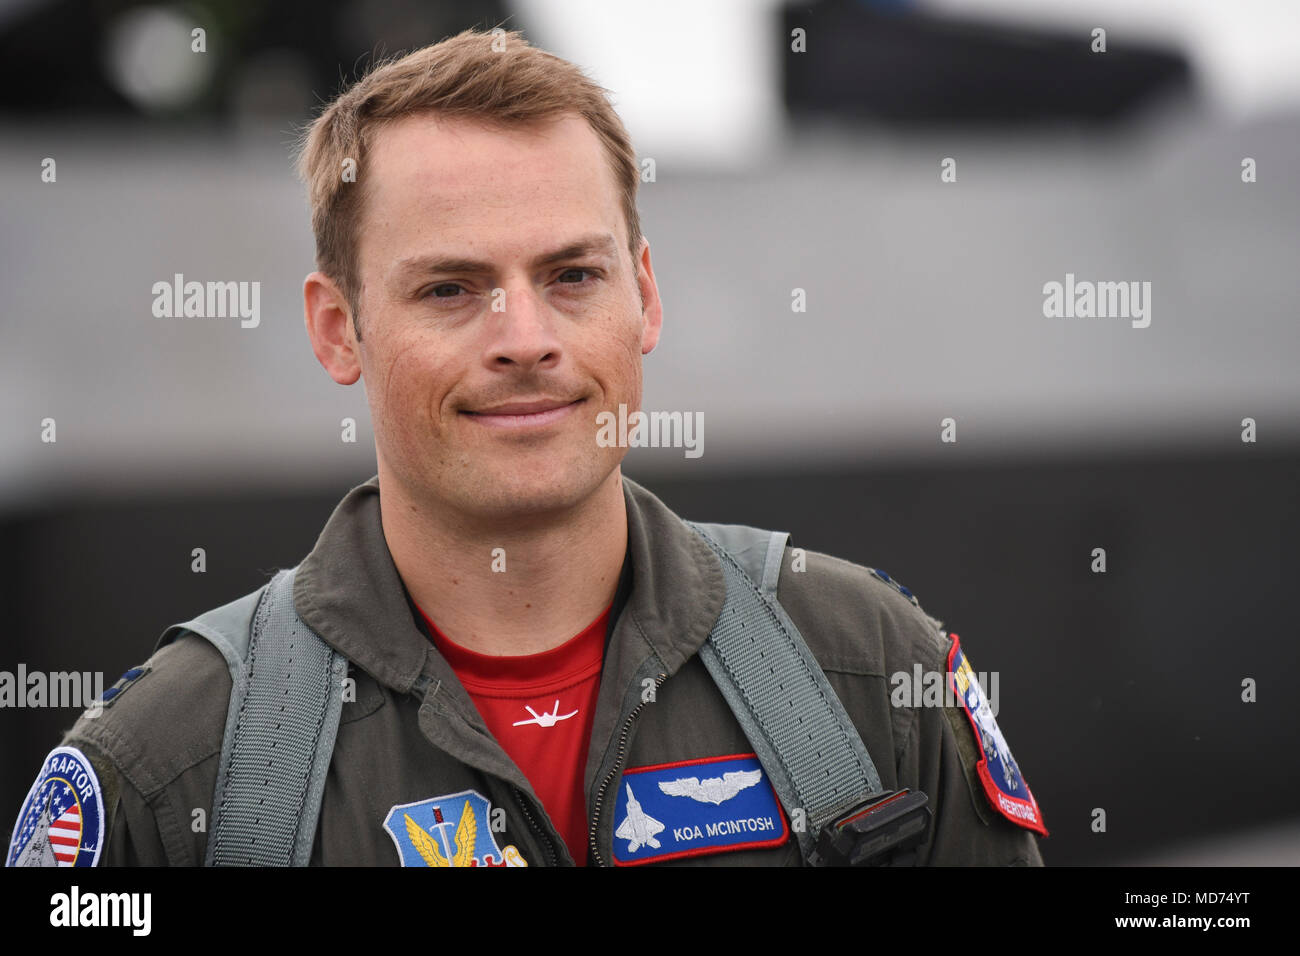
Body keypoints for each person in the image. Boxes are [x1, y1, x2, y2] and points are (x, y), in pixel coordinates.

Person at [6, 27, 1046, 867]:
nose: (525, 340)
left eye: (573, 276)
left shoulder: (870, 672)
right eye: (450, 288)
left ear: (645, 294)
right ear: (337, 329)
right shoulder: (168, 773)